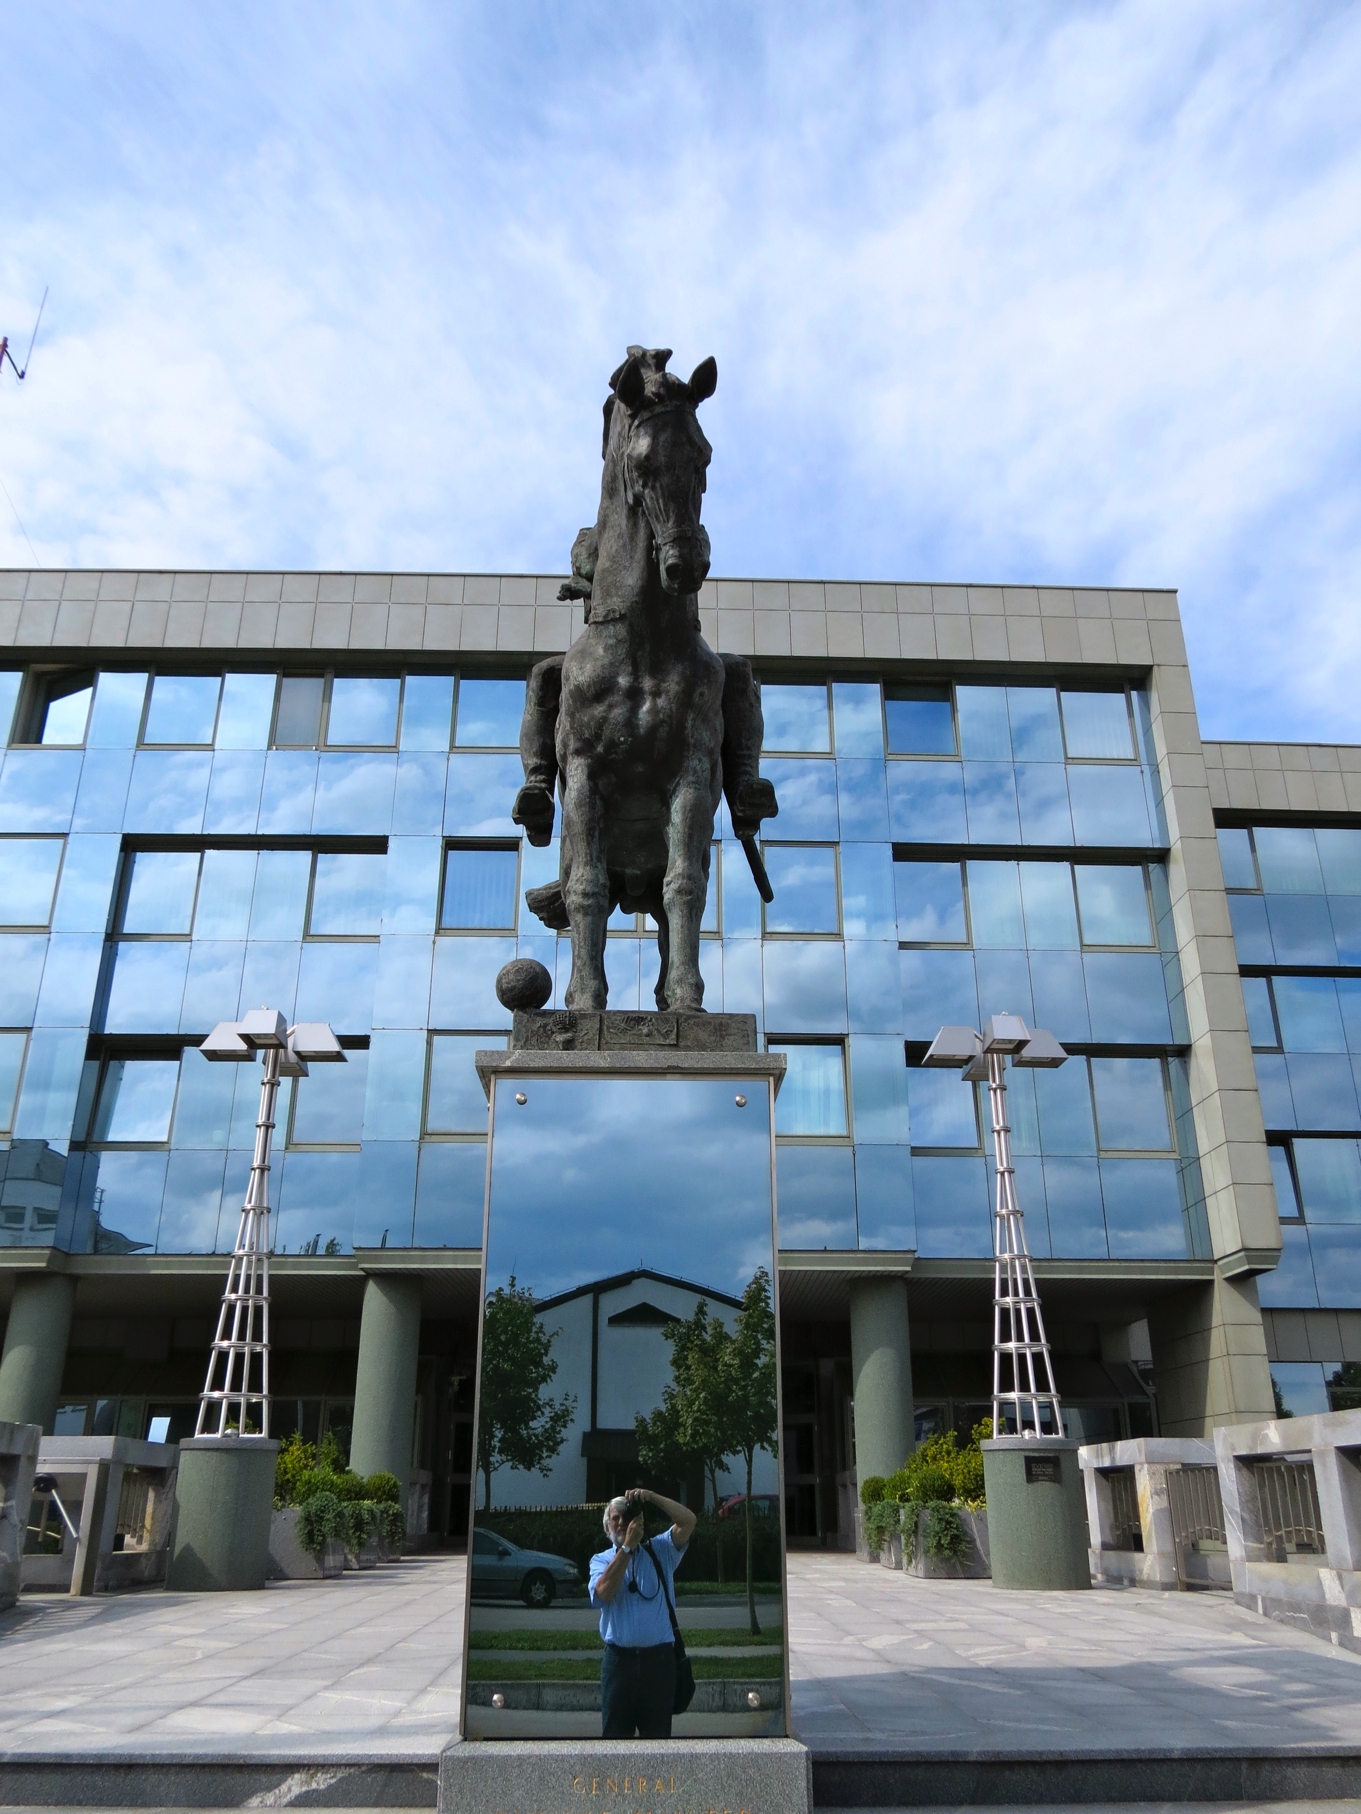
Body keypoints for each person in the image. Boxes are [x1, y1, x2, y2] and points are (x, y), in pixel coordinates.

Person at [588, 1485, 696, 1739]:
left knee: (657, 1740)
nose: (621, 1522)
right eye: (615, 1518)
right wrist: (627, 1548)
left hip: (658, 1663)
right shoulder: (601, 1560)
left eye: (626, 1516)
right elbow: (603, 1593)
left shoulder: (660, 1550)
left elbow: (688, 1521)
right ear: (607, 1528)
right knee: (615, 1739)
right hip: (619, 1663)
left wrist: (651, 1497)